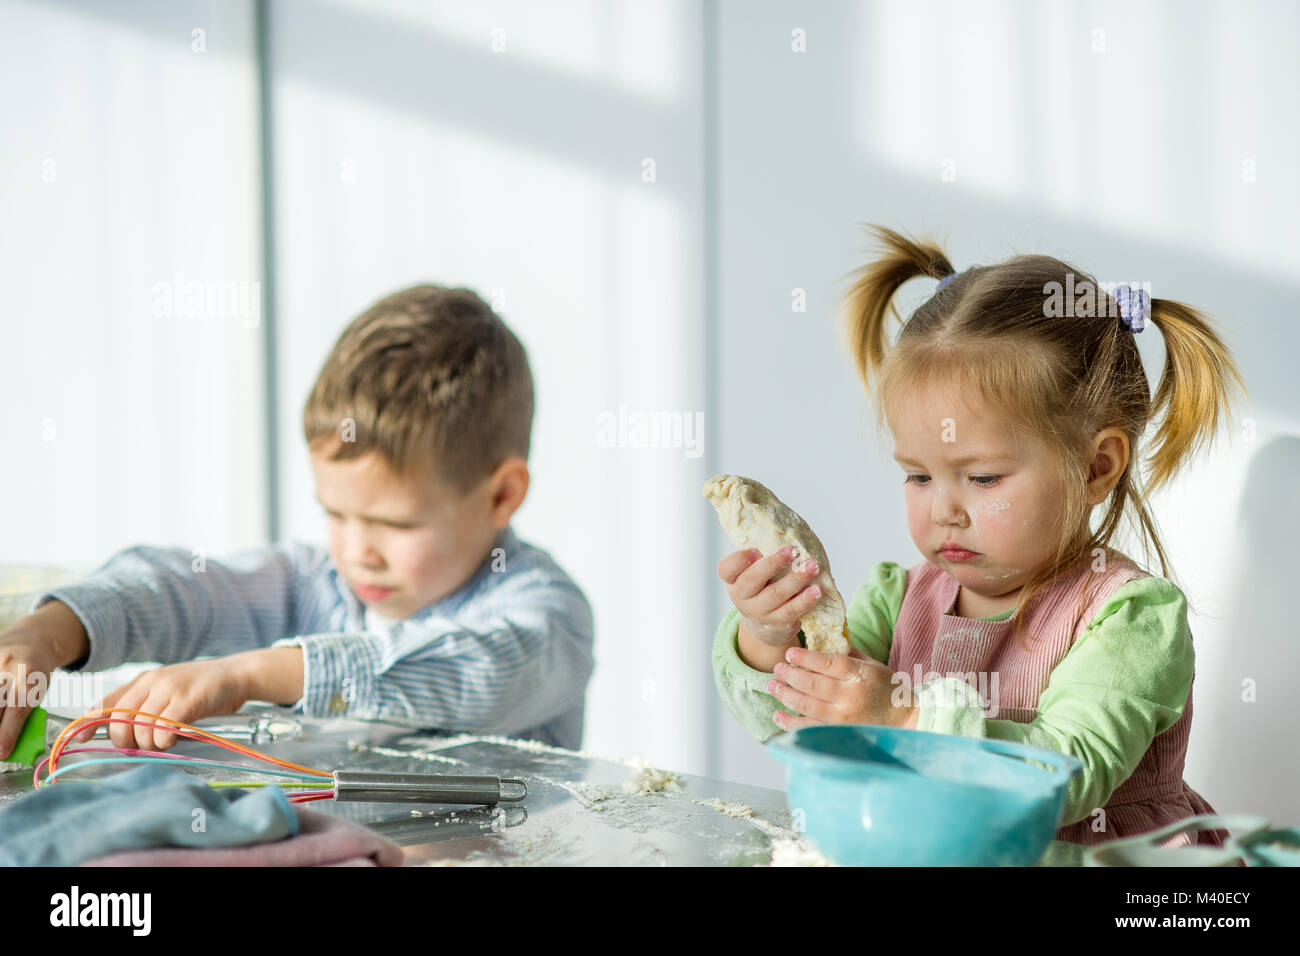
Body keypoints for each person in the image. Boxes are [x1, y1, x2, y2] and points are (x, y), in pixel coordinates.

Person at [713, 225, 1247, 847]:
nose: (944, 509)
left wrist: (908, 716)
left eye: (983, 477)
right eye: (917, 475)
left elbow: (1070, 772)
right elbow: (799, 729)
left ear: (1096, 466)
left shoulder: (1129, 618)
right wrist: (772, 638)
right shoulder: (901, 599)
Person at [0, 285, 594, 756]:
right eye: (334, 513)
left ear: (502, 495)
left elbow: (475, 672)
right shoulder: (313, 586)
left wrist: (254, 673)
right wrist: (51, 631)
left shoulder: (549, 615)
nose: (358, 550)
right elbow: (186, 588)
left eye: (395, 524)